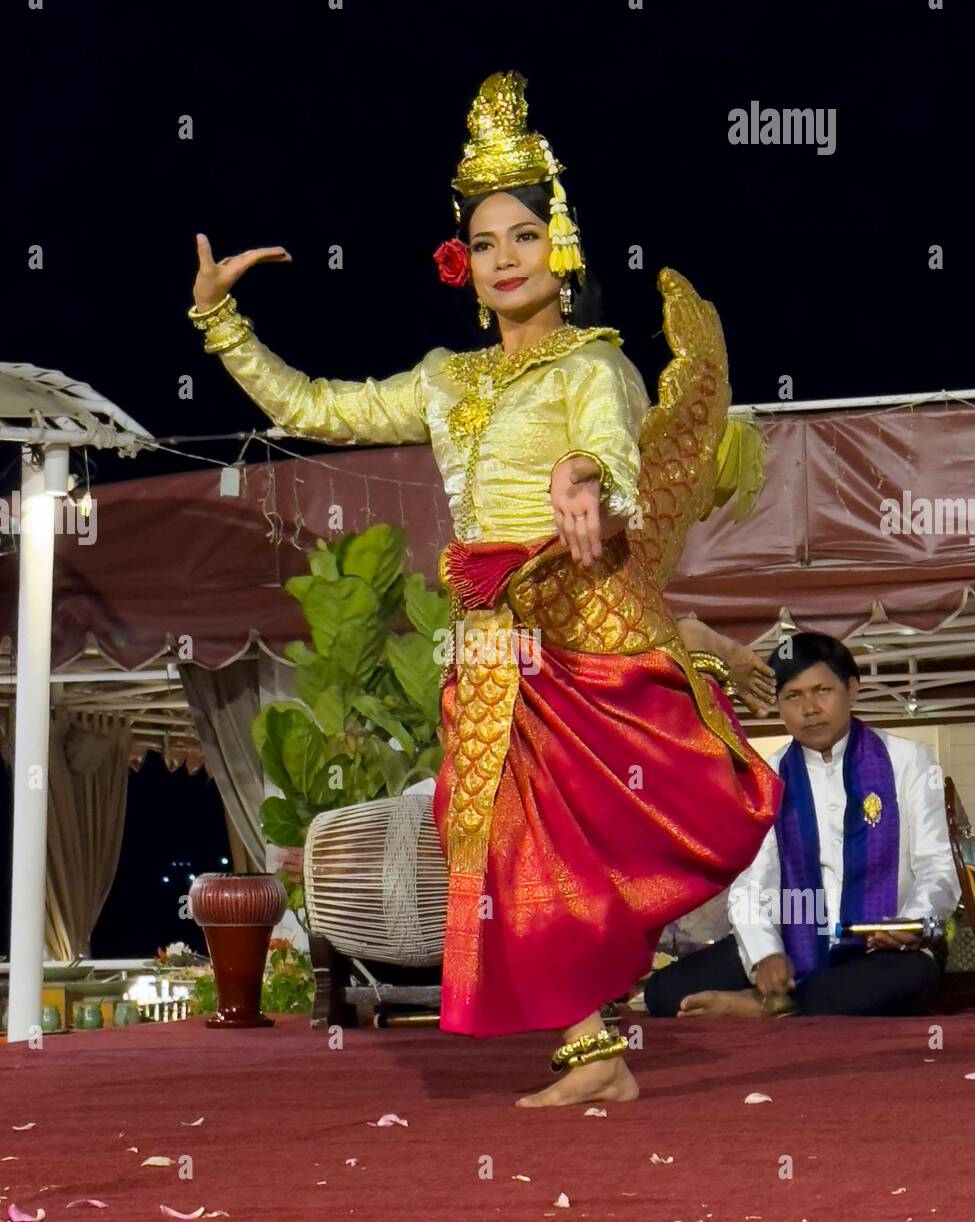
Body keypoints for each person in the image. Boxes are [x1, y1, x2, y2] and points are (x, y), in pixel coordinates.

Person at [188, 71, 780, 1105]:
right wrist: (221, 326)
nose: (508, 258)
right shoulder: (444, 379)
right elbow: (315, 406)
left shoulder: (593, 369)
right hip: (484, 636)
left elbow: (617, 470)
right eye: (489, 241)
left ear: (563, 247)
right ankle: (592, 1049)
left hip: (565, 618)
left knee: (581, 829)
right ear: (467, 264)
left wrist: (581, 482)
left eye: (526, 236)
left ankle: (605, 1015)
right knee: (497, 840)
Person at [645, 632, 961, 1020]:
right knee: (664, 993)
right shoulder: (767, 776)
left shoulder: (908, 760)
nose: (809, 708)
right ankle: (788, 998)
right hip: (792, 937)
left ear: (852, 690)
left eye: (822, 691)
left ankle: (768, 1005)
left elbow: (937, 867)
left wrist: (911, 922)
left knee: (910, 976)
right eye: (793, 696)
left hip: (879, 947)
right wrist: (766, 953)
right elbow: (751, 882)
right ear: (778, 704)